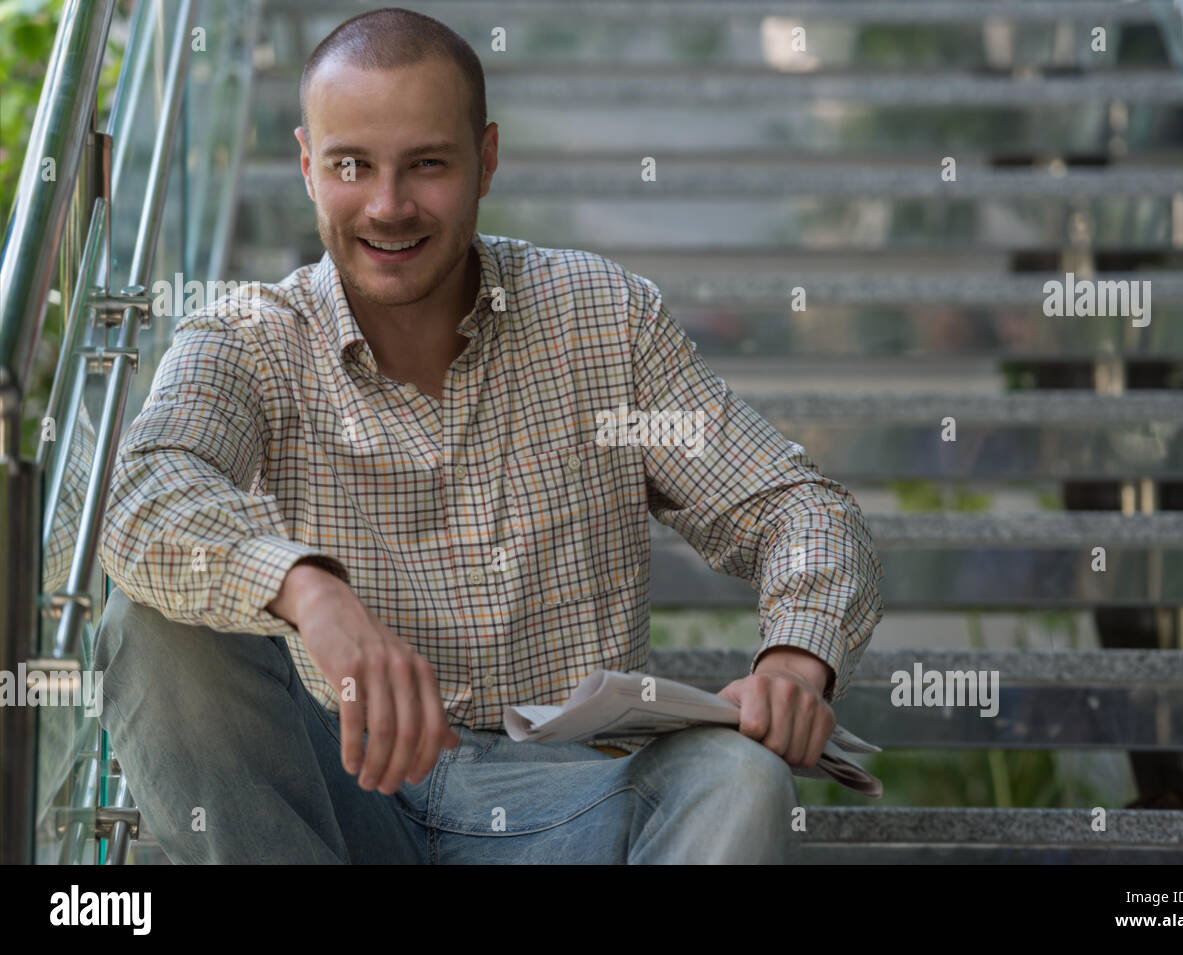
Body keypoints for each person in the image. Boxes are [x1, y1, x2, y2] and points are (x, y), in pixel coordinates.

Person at [94, 6, 883, 864]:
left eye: (426, 164)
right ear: (307, 168)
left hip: (573, 805)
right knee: (151, 618)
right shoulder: (249, 335)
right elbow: (143, 491)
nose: (389, 206)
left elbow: (797, 507)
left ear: (487, 160)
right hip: (337, 799)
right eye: (352, 164)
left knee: (741, 775)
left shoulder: (603, 320)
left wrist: (796, 662)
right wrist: (309, 593)